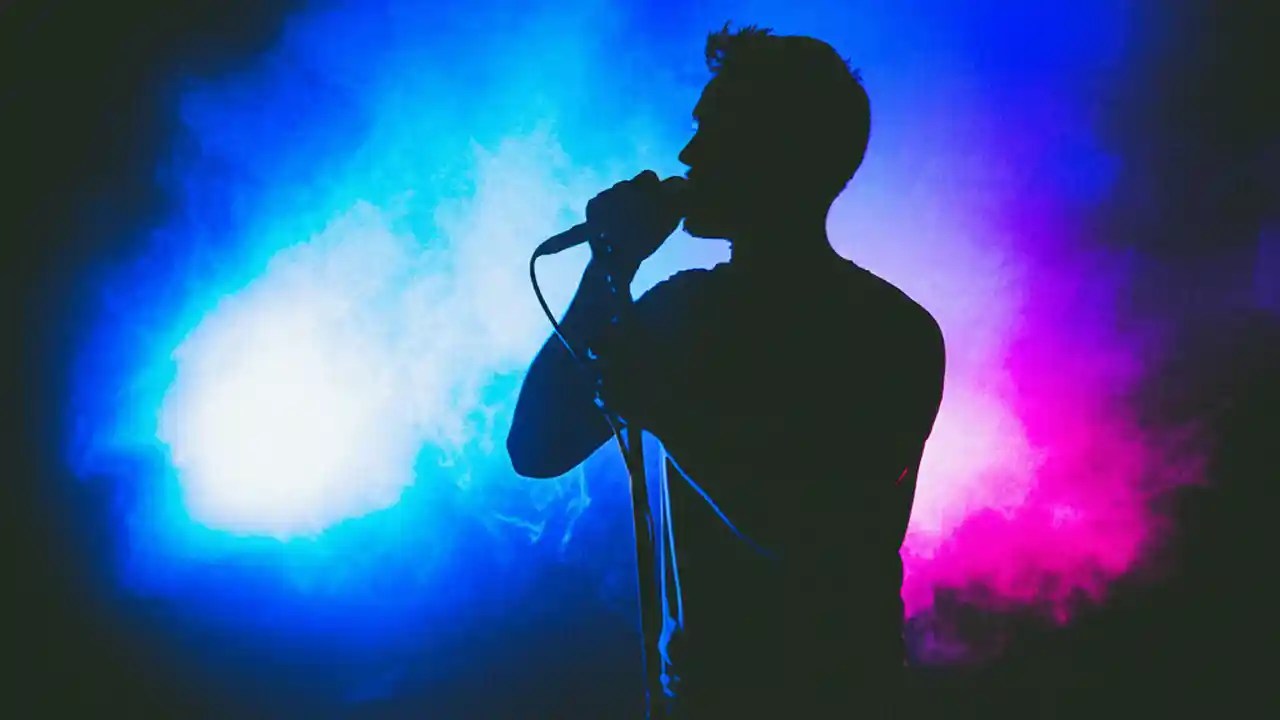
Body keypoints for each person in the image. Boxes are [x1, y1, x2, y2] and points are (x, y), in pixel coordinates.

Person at [508, 23, 946, 717]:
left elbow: (821, 536)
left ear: (777, 153)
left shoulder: (886, 332)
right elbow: (537, 447)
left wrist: (667, 408)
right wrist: (608, 265)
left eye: (713, 132)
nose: (688, 154)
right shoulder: (679, 309)